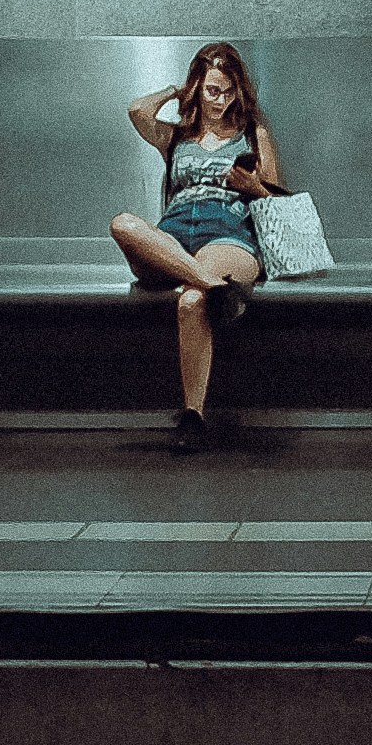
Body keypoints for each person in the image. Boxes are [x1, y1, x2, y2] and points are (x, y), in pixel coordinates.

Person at [109, 43, 285, 453]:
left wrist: (250, 185)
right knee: (123, 224)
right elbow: (138, 111)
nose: (220, 100)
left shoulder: (252, 134)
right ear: (198, 89)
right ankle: (220, 291)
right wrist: (176, 90)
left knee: (191, 303)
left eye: (227, 91)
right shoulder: (177, 136)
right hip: (172, 237)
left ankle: (192, 416)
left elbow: (275, 196)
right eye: (211, 90)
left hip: (226, 233)